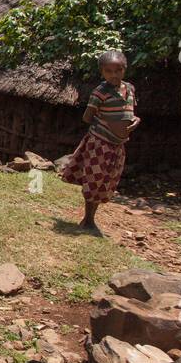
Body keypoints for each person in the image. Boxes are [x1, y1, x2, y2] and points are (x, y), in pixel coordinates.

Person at [60, 49, 140, 233]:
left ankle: (91, 219)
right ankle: (88, 220)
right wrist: (108, 123)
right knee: (93, 180)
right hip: (100, 143)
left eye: (118, 70)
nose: (114, 75)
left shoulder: (130, 89)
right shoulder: (100, 93)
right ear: (102, 72)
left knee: (107, 181)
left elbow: (130, 113)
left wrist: (136, 121)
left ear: (125, 69)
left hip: (118, 145)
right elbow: (87, 117)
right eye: (109, 71)